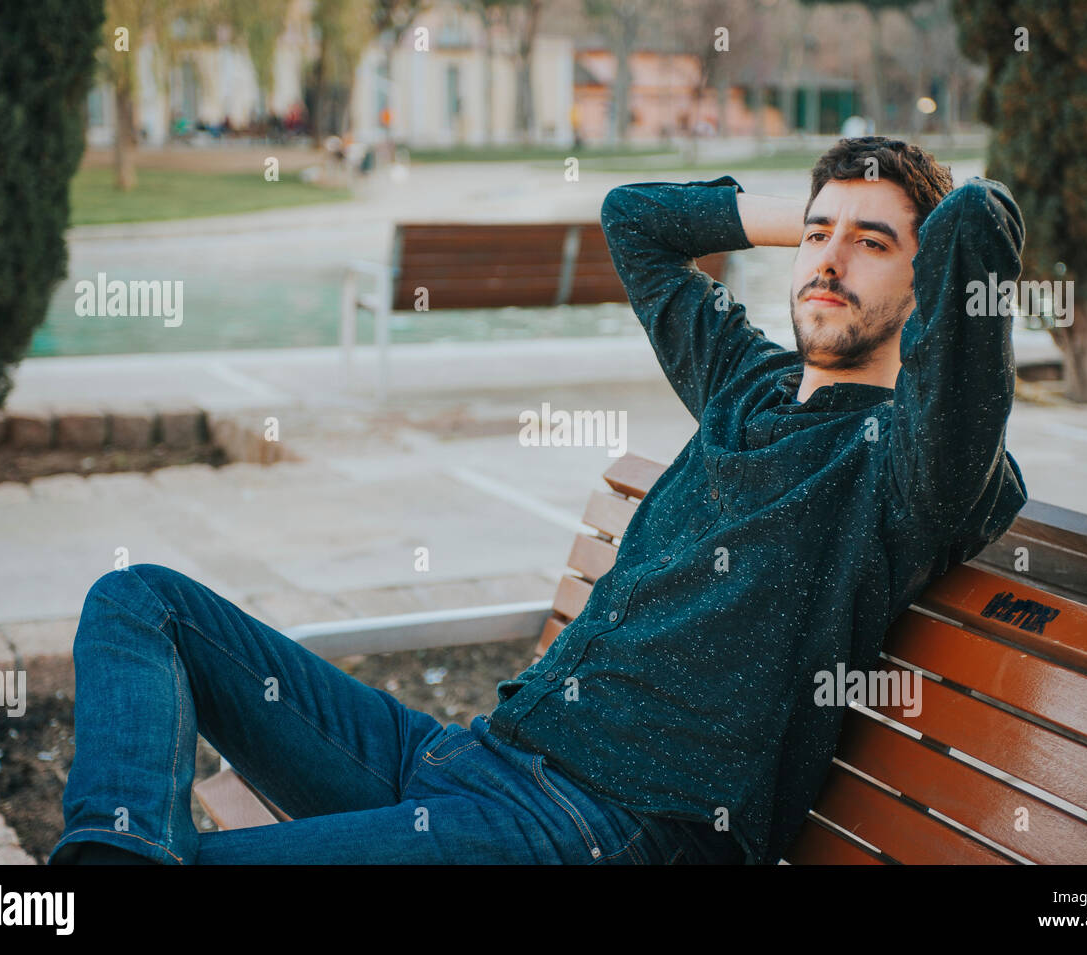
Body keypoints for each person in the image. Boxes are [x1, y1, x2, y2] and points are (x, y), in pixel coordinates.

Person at [50, 136, 1027, 865]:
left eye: (871, 243)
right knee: (140, 601)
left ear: (924, 271)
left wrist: (936, 213)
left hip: (591, 826)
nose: (827, 259)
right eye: (817, 236)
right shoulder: (743, 380)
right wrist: (812, 214)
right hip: (470, 759)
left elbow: (973, 238)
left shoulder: (903, 464)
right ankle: (118, 846)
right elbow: (632, 219)